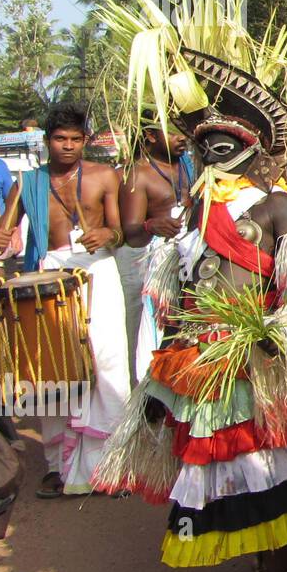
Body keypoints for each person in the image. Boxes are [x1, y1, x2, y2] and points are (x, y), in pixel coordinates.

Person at [92, 0, 287, 572]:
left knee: (265, 468)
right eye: (203, 144)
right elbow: (181, 283)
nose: (212, 153)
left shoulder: (277, 204)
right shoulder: (194, 211)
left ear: (256, 145)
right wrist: (173, 348)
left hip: (262, 359)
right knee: (230, 471)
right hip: (206, 358)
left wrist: (277, 326)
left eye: (223, 143)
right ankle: (268, 565)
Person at [0, 103, 130, 498]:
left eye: (75, 139)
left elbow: (119, 233)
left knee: (107, 363)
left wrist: (106, 236)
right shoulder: (28, 183)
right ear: (48, 141)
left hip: (98, 271)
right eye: (60, 139)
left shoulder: (104, 175)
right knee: (50, 369)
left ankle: (112, 464)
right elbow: (0, 236)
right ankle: (59, 466)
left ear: (85, 141)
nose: (68, 146)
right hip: (49, 274)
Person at [116, 125, 195, 383]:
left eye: (182, 132)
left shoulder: (191, 167)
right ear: (150, 135)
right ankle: (146, 393)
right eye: (172, 132)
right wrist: (152, 225)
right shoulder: (138, 175)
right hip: (153, 266)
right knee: (151, 332)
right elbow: (132, 233)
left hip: (190, 260)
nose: (181, 138)